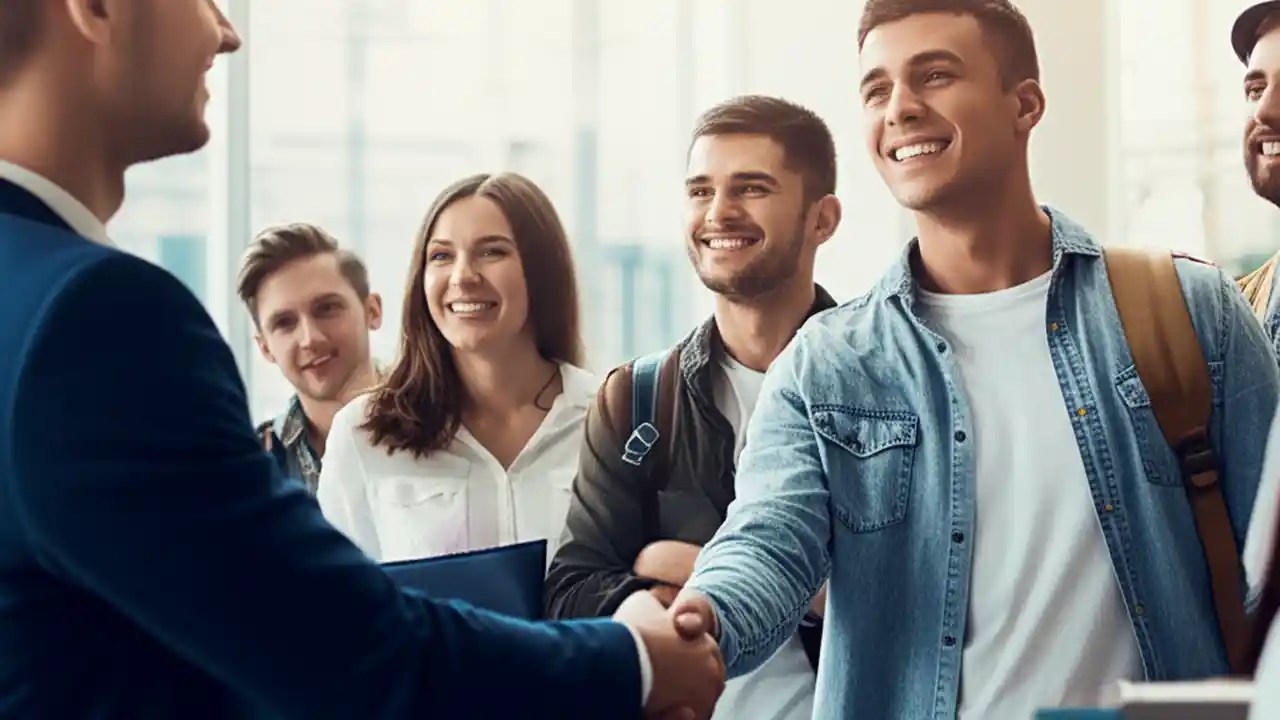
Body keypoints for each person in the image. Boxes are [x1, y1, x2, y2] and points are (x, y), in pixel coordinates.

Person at [0, 1, 724, 717]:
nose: (226, 32)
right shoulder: (92, 315)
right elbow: (332, 639)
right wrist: (633, 663)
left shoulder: (619, 410)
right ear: (94, 9)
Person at [663, 1, 1280, 719]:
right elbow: (766, 542)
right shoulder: (825, 365)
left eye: (934, 75)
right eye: (876, 89)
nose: (899, 109)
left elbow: (1272, 571)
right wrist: (703, 618)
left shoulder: (1188, 308)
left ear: (1025, 104)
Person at [546, 94, 840, 720]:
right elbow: (571, 591)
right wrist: (706, 582)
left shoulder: (884, 384)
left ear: (822, 219)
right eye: (700, 191)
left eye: (751, 188)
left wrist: (685, 565)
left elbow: (935, 589)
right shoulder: (638, 398)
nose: (719, 213)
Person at [318, 172, 599, 565]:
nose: (463, 276)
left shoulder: (608, 421)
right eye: (442, 256)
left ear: (541, 271)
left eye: (492, 252)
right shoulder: (362, 434)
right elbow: (338, 603)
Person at [238, 222, 383, 493]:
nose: (310, 338)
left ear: (372, 311)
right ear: (265, 347)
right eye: (284, 323)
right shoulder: (249, 467)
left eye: (327, 308)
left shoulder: (448, 428)